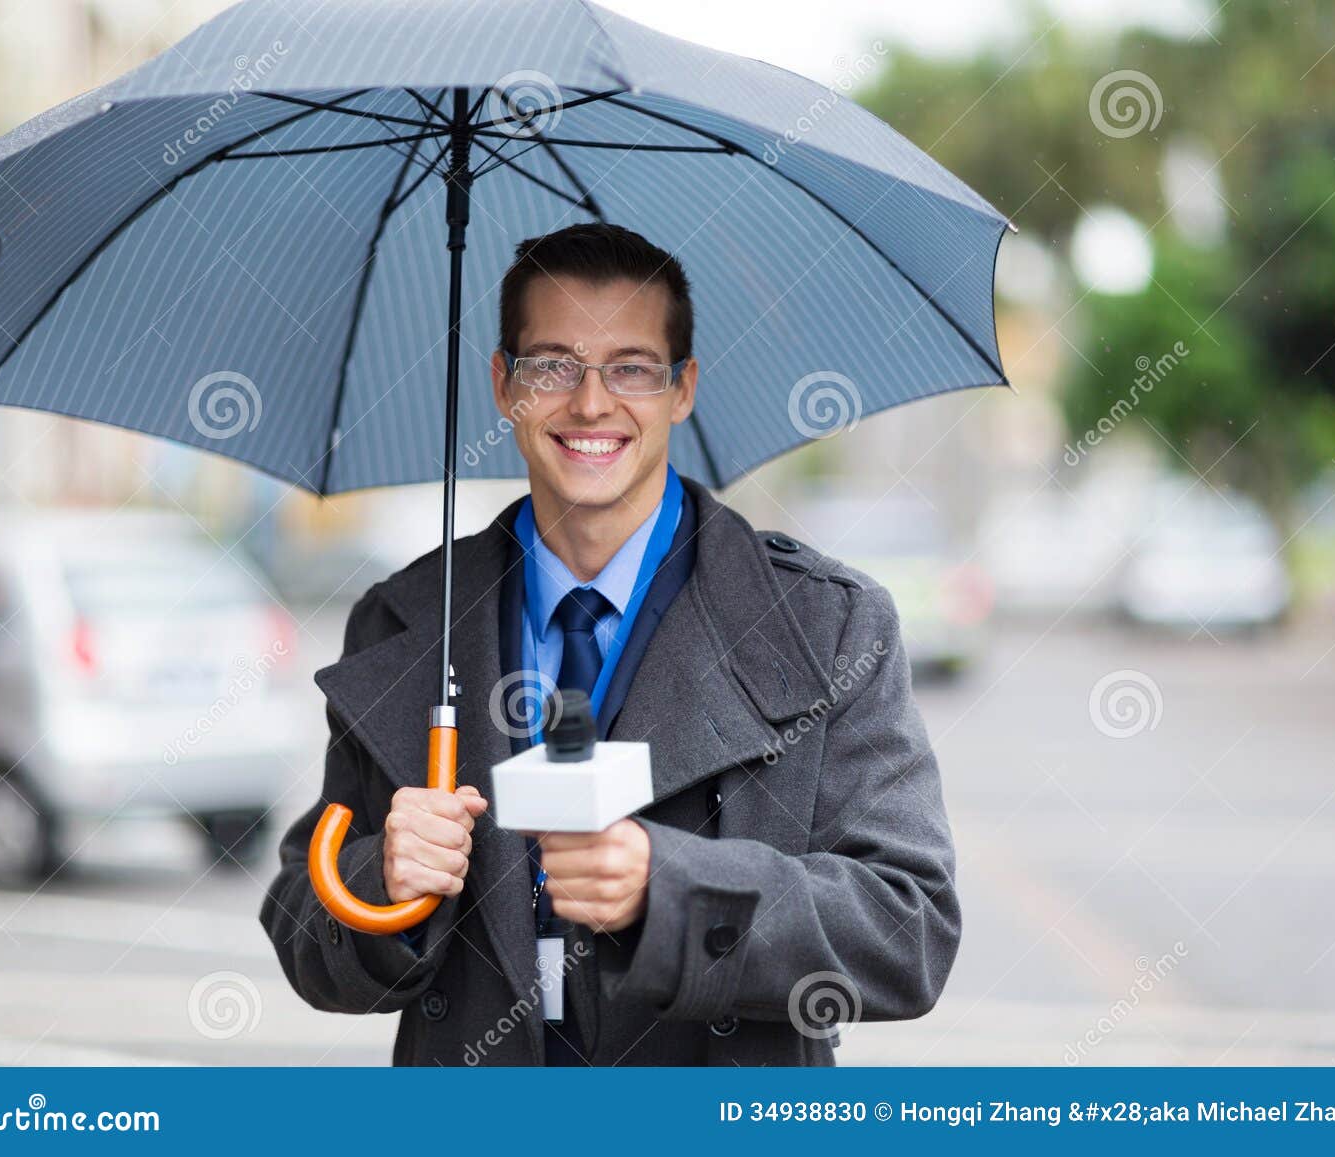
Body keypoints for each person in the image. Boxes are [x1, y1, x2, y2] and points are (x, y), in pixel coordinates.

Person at [260, 222, 961, 1065]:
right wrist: (385, 879)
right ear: (503, 384)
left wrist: (669, 892)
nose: (591, 404)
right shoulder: (404, 621)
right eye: (552, 365)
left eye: (630, 367)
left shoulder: (827, 626)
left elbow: (908, 929)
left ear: (682, 388)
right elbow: (302, 918)